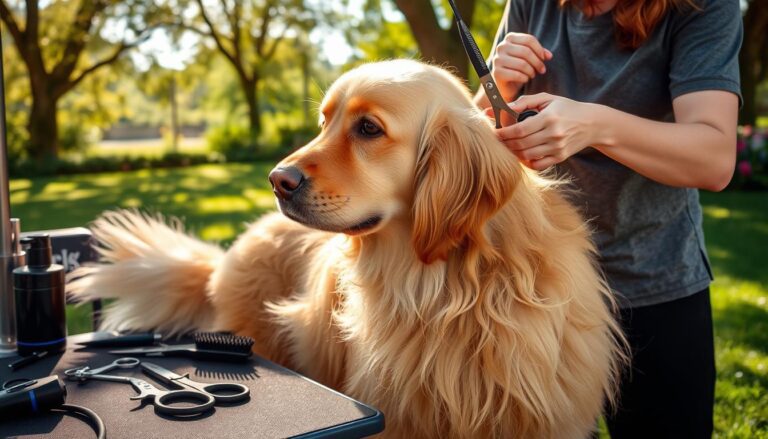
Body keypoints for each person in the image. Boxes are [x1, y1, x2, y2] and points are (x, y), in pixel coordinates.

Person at [475, 0, 742, 437]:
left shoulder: (704, 7)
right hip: (542, 291)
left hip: (654, 282)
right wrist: (499, 86)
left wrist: (595, 126)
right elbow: (485, 137)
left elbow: (713, 158)